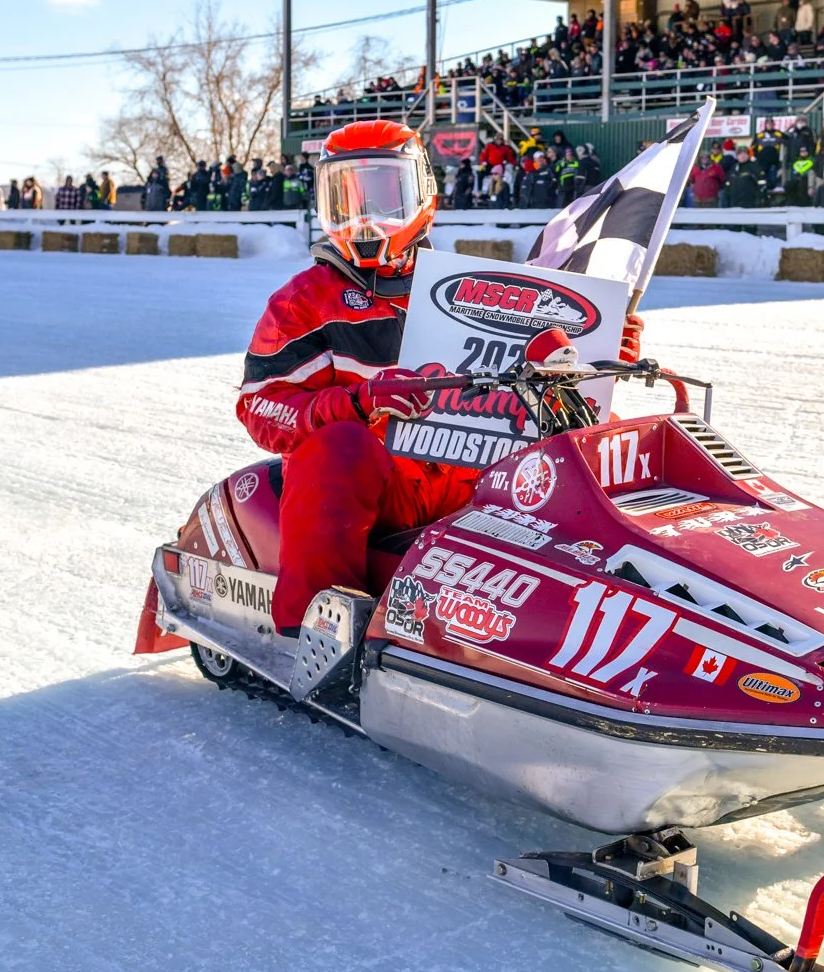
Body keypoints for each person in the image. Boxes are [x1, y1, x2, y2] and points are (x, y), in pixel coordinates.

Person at [236, 120, 641, 632]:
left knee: (596, 437)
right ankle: (317, 630)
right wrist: (356, 404)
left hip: (467, 473)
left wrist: (596, 357)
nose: (365, 219)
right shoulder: (305, 300)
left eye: (386, 196)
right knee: (336, 447)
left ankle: (604, 600)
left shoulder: (465, 286)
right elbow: (262, 407)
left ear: (423, 195)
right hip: (377, 485)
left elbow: (537, 390)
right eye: (346, 199)